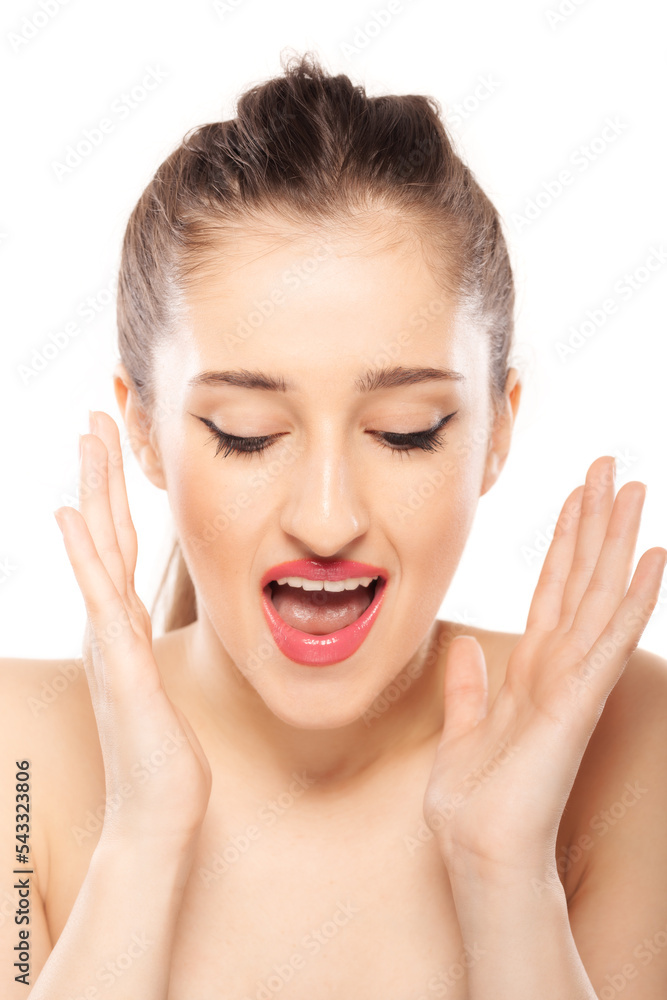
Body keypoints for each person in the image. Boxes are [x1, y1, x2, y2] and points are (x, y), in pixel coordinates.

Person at [2, 52, 666, 999]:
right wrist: (141, 840)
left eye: (406, 433)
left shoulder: (625, 736)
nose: (326, 518)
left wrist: (505, 877)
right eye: (247, 435)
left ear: (495, 431)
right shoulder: (12, 757)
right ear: (144, 431)